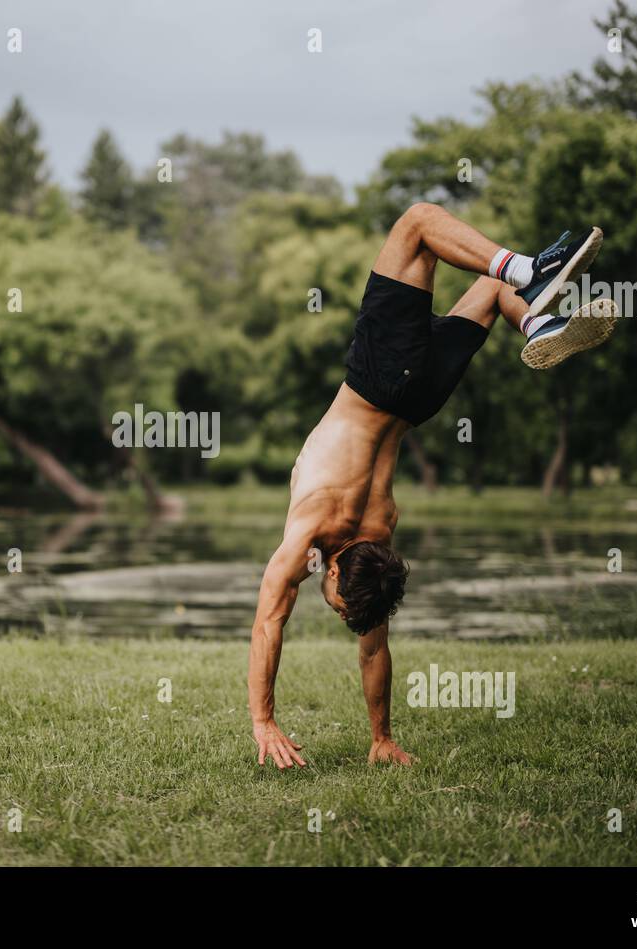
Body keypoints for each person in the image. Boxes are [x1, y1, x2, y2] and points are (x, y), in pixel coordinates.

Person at [247, 202, 617, 769]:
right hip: (385, 389)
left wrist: (264, 721)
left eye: (336, 602)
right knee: (455, 258)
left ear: (344, 569)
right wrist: (379, 737)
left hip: (414, 399)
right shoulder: (336, 540)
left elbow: (280, 623)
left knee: (422, 226)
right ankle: (540, 320)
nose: (337, 609)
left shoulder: (369, 534)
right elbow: (332, 635)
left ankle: (531, 275)